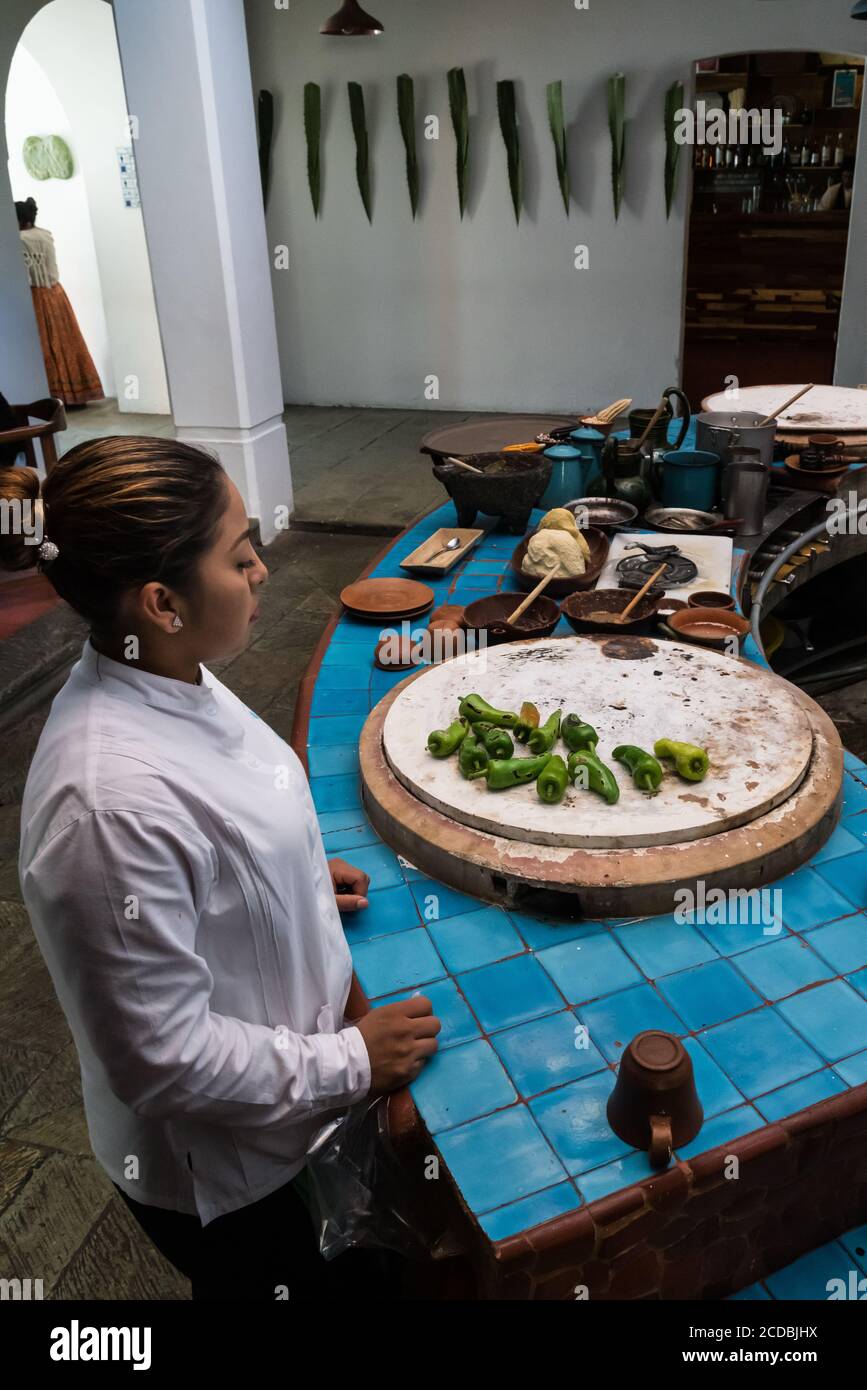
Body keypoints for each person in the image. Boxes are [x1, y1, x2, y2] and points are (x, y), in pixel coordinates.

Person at [0, 437, 440, 1300]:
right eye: (240, 557)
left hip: (292, 1106)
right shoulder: (107, 807)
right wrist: (354, 1062)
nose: (264, 571)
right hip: (236, 1175)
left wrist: (293, 880)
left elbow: (225, 829)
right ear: (163, 601)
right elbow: (162, 1059)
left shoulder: (170, 672)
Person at [15, 196, 103, 407]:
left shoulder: (20, 239)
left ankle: (53, 397)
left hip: (36, 296)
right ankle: (73, 395)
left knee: (45, 345)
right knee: (64, 342)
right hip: (56, 294)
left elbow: (26, 276)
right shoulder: (45, 235)